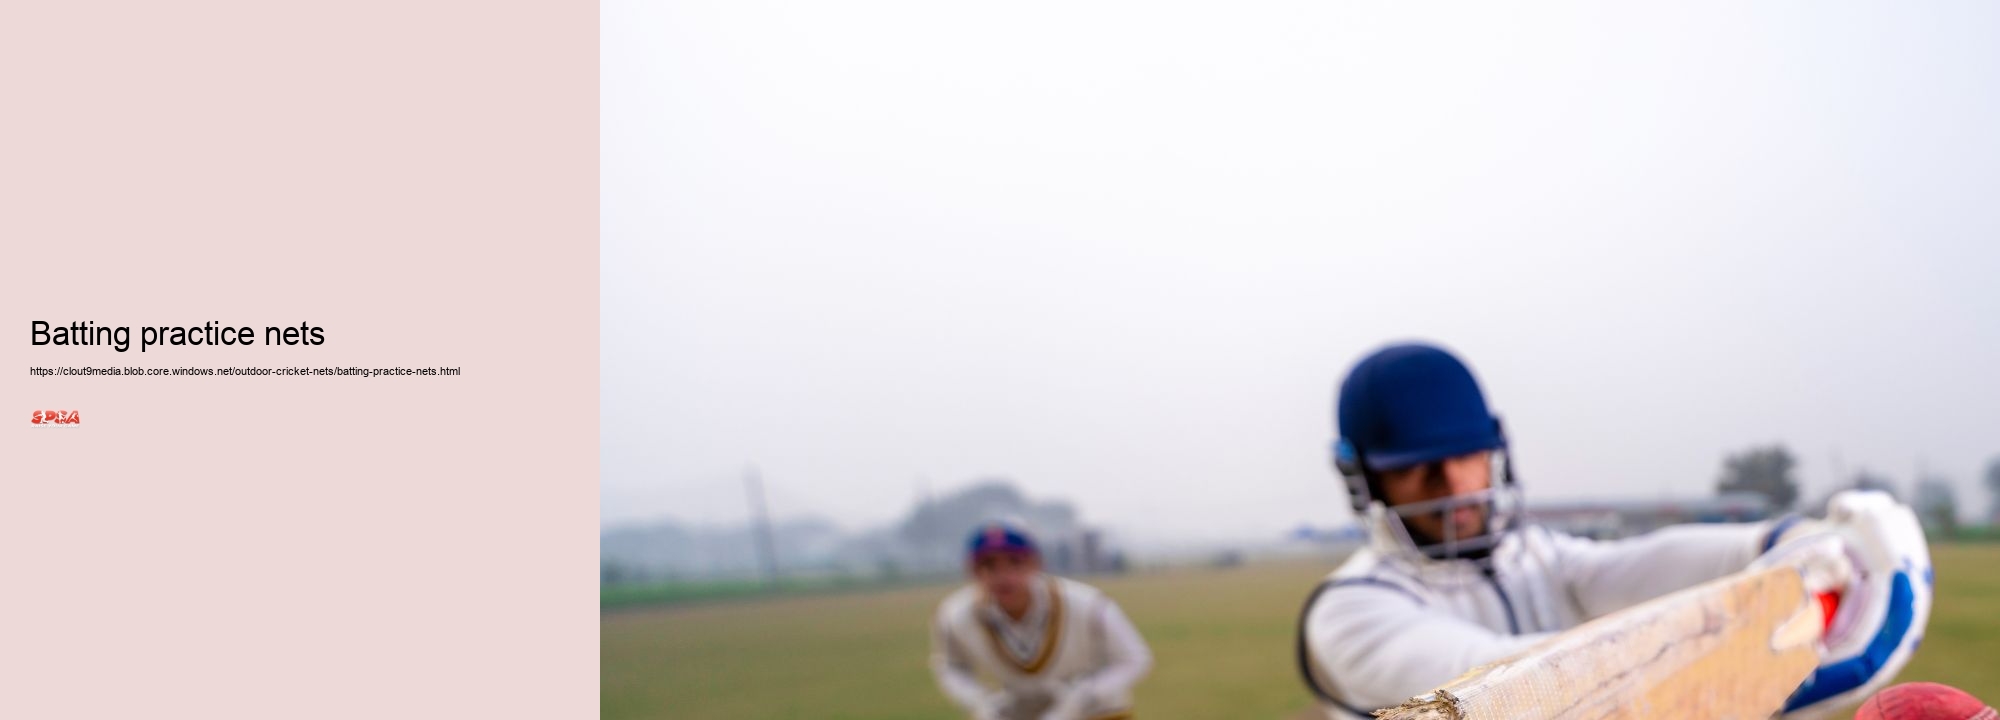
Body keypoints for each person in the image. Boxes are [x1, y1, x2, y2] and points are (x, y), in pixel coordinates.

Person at [1297, 342, 1932, 719]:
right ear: (1366, 480)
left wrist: (1786, 544)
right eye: (1418, 469)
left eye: (1469, 456)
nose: (1457, 485)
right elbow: (1509, 690)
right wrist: (1753, 668)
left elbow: (1629, 566)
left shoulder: (1533, 557)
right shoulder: (1351, 611)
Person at [931, 521, 1152, 720]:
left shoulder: (1088, 604)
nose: (1003, 576)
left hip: (1097, 712)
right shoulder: (955, 615)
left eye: (1015, 563)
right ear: (973, 570)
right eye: (989, 565)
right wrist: (980, 700)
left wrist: (1082, 697)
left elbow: (1136, 658)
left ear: (1035, 564)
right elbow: (950, 667)